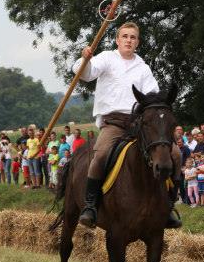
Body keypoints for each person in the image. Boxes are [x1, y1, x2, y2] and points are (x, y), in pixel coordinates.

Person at [71, 21, 181, 228]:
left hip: (138, 123)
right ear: (117, 40)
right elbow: (85, 74)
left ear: (137, 42)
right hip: (113, 122)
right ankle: (90, 206)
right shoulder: (106, 58)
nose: (128, 40)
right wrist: (85, 59)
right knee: (101, 154)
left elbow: (151, 97)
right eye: (125, 36)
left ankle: (168, 205)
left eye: (132, 37)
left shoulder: (143, 68)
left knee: (175, 154)